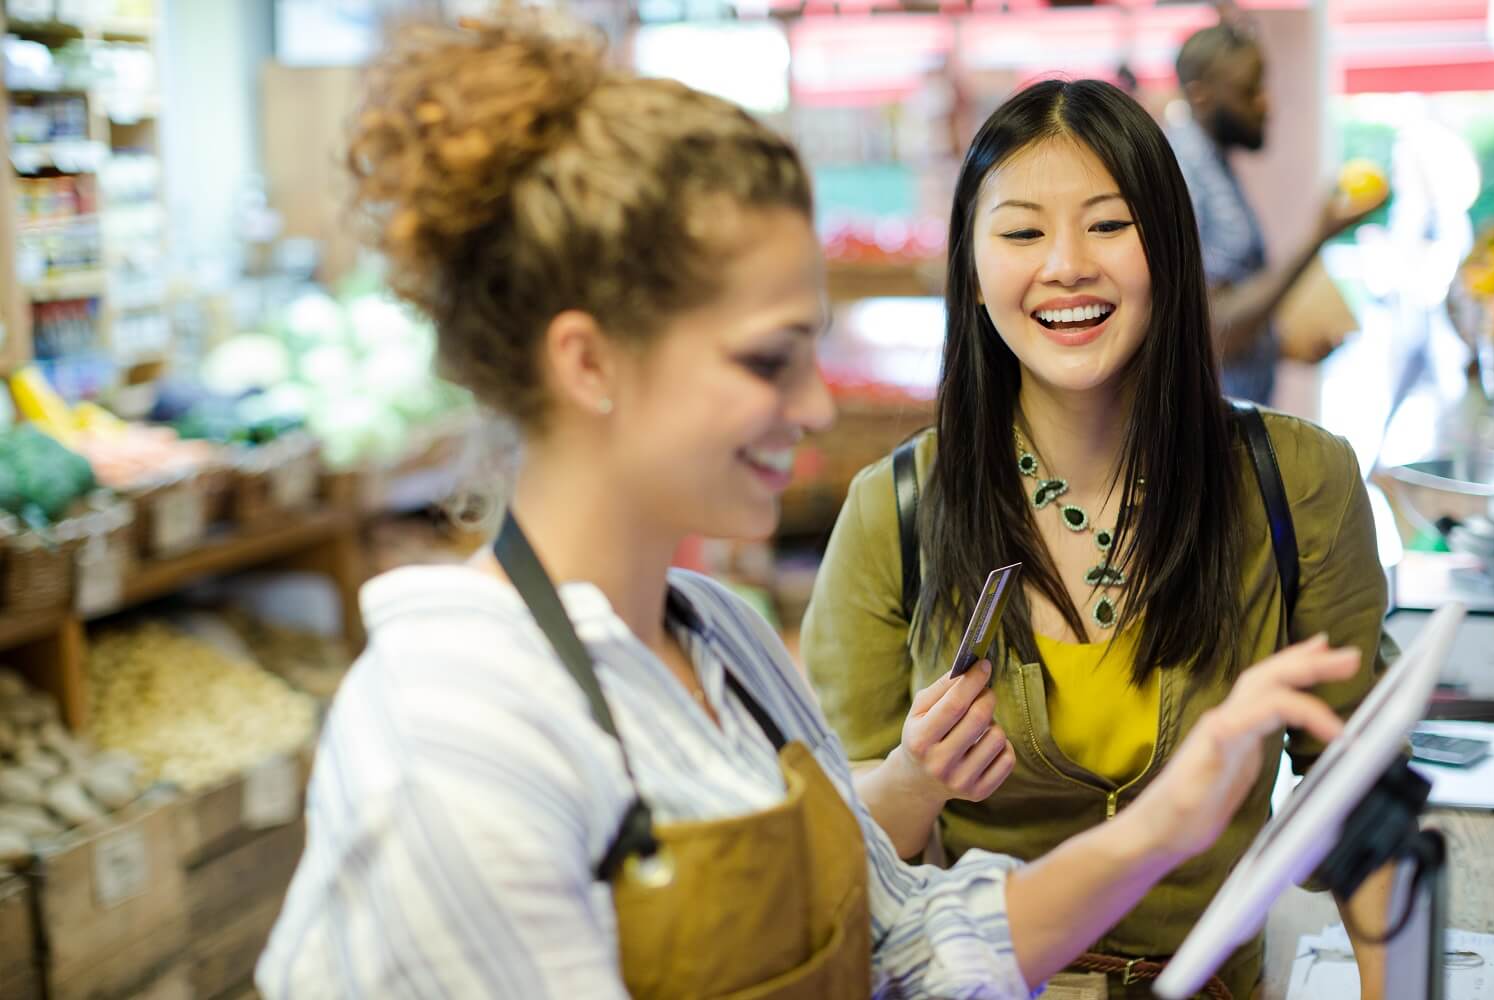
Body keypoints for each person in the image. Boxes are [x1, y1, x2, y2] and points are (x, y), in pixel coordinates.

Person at [256, 16, 1363, 999]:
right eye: (770, 357)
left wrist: (1176, 817)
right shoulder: (452, 733)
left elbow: (905, 939)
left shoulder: (721, 639)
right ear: (590, 363)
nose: (817, 402)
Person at [801, 78, 1393, 999]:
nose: (1068, 266)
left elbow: (1356, 787)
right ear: (973, 263)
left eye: (1111, 225)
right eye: (1024, 232)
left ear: (1170, 244)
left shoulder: (1299, 482)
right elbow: (829, 855)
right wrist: (919, 779)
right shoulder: (898, 506)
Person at [1168, 20, 1378, 404]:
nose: (1266, 104)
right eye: (1249, 91)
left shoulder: (1212, 165)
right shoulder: (1183, 171)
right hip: (1213, 431)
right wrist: (1319, 237)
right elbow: (1208, 331)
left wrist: (1276, 345)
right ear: (1200, 96)